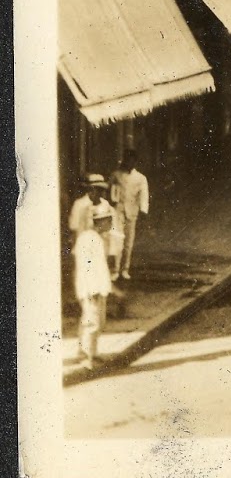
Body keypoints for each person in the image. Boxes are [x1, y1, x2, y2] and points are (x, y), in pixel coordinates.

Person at [73, 200, 116, 368]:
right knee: (90, 322)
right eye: (108, 220)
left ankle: (93, 352)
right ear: (100, 222)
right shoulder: (87, 238)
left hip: (99, 287)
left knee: (98, 321)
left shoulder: (98, 238)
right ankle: (85, 356)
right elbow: (86, 266)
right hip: (90, 287)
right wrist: (92, 289)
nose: (110, 223)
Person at [108, 152, 149, 281]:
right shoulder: (116, 175)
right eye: (128, 160)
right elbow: (109, 190)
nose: (130, 163)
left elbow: (144, 195)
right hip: (118, 211)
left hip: (132, 212)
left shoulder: (140, 178)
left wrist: (143, 210)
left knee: (129, 242)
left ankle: (125, 269)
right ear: (124, 161)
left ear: (135, 162)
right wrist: (111, 201)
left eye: (133, 161)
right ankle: (115, 269)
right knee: (117, 240)